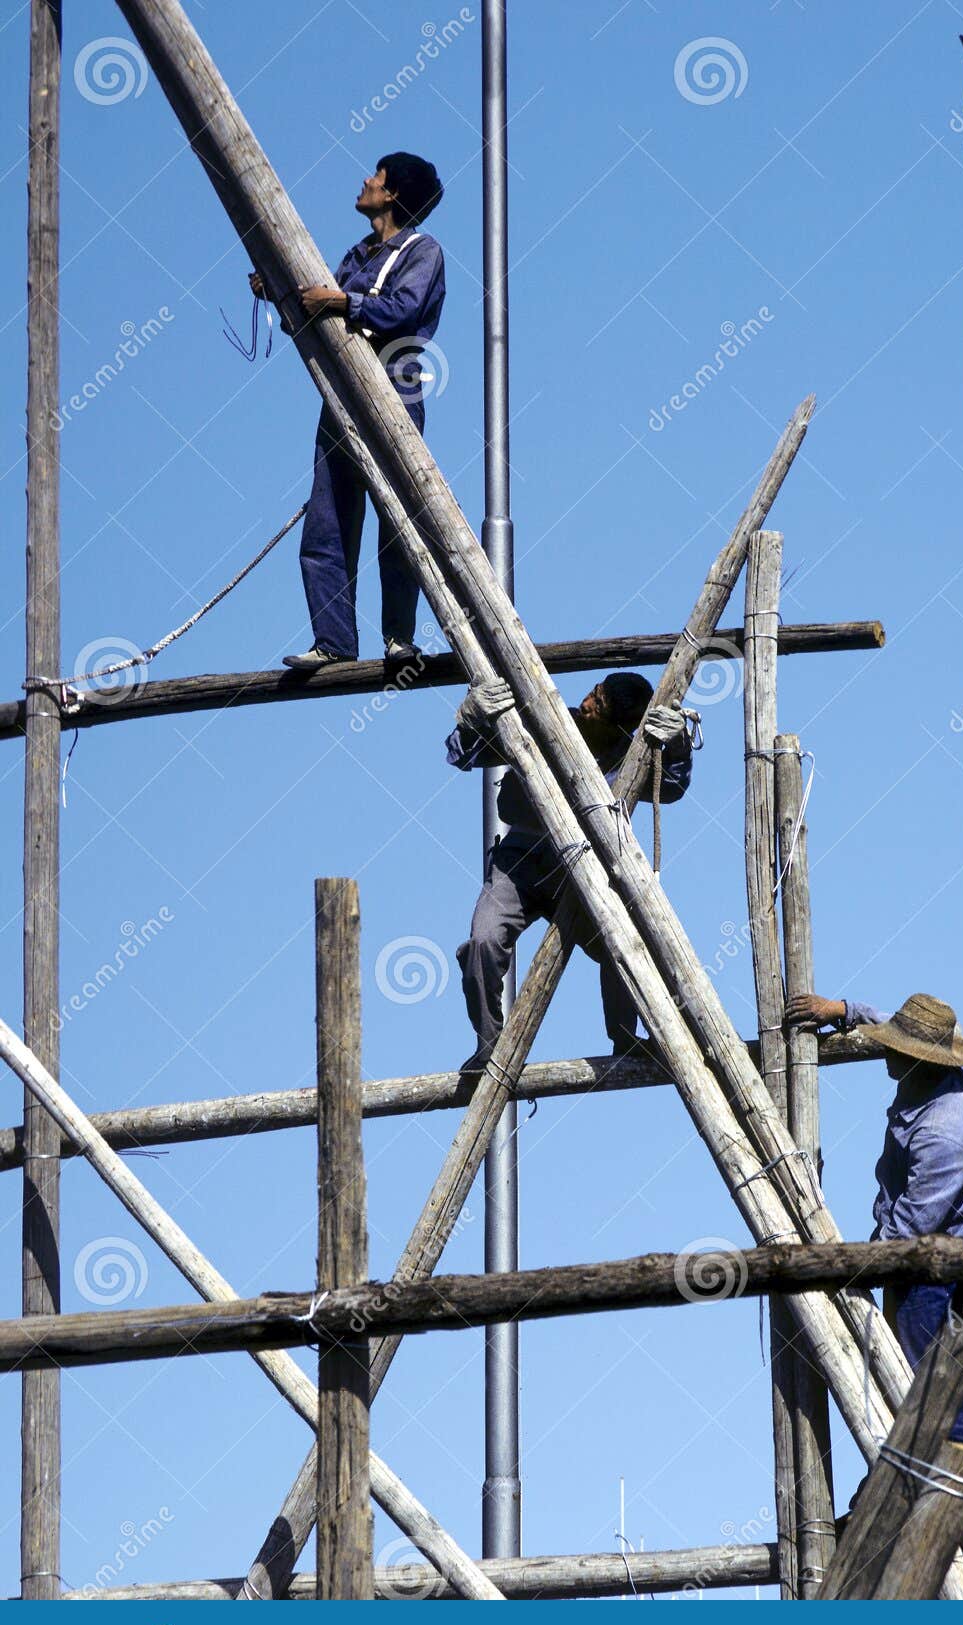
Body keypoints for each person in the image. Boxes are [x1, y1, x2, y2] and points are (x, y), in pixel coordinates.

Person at [251, 153, 446, 669]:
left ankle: (400, 639)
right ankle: (334, 641)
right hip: (339, 398)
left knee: (398, 520)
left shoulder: (422, 251)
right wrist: (279, 294)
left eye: (377, 178)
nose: (365, 181)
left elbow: (403, 310)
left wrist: (342, 304)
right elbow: (316, 310)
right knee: (327, 521)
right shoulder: (358, 254)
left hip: (393, 394)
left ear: (394, 194)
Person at [785, 989, 963, 1471]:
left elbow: (911, 1224)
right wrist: (843, 1011)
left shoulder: (946, 1133)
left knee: (947, 1391)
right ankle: (904, 1485)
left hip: (937, 1277)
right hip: (914, 1268)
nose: (888, 1050)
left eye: (897, 1048)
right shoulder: (929, 1076)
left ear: (922, 1061)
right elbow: (896, 1023)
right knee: (911, 1389)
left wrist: (855, 1267)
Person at [447, 673, 695, 1073]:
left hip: (582, 872)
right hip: (520, 862)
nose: (586, 703)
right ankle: (488, 1043)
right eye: (593, 693)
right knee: (483, 942)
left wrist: (679, 743)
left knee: (627, 945)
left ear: (617, 726)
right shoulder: (543, 725)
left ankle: (624, 1037)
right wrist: (473, 718)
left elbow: (673, 786)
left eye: (598, 705)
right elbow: (463, 755)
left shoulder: (632, 758)